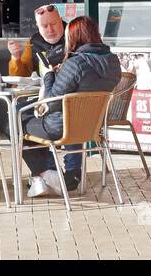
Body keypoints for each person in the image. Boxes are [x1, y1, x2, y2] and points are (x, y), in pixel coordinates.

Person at [22, 15, 121, 198]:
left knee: (16, 122)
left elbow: (51, 102)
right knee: (27, 118)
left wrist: (49, 76)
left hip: (61, 127)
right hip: (91, 127)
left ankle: (47, 174)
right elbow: (86, 84)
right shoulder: (113, 61)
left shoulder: (75, 63)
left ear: (75, 37)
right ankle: (54, 175)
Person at [7, 4, 83, 188]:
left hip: (74, 100)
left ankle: (73, 171)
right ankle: (50, 169)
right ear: (38, 27)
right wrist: (16, 58)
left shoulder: (73, 38)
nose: (50, 30)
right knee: (15, 115)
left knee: (67, 116)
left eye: (54, 24)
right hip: (46, 98)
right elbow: (22, 73)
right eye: (44, 26)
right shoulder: (34, 43)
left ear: (61, 22)